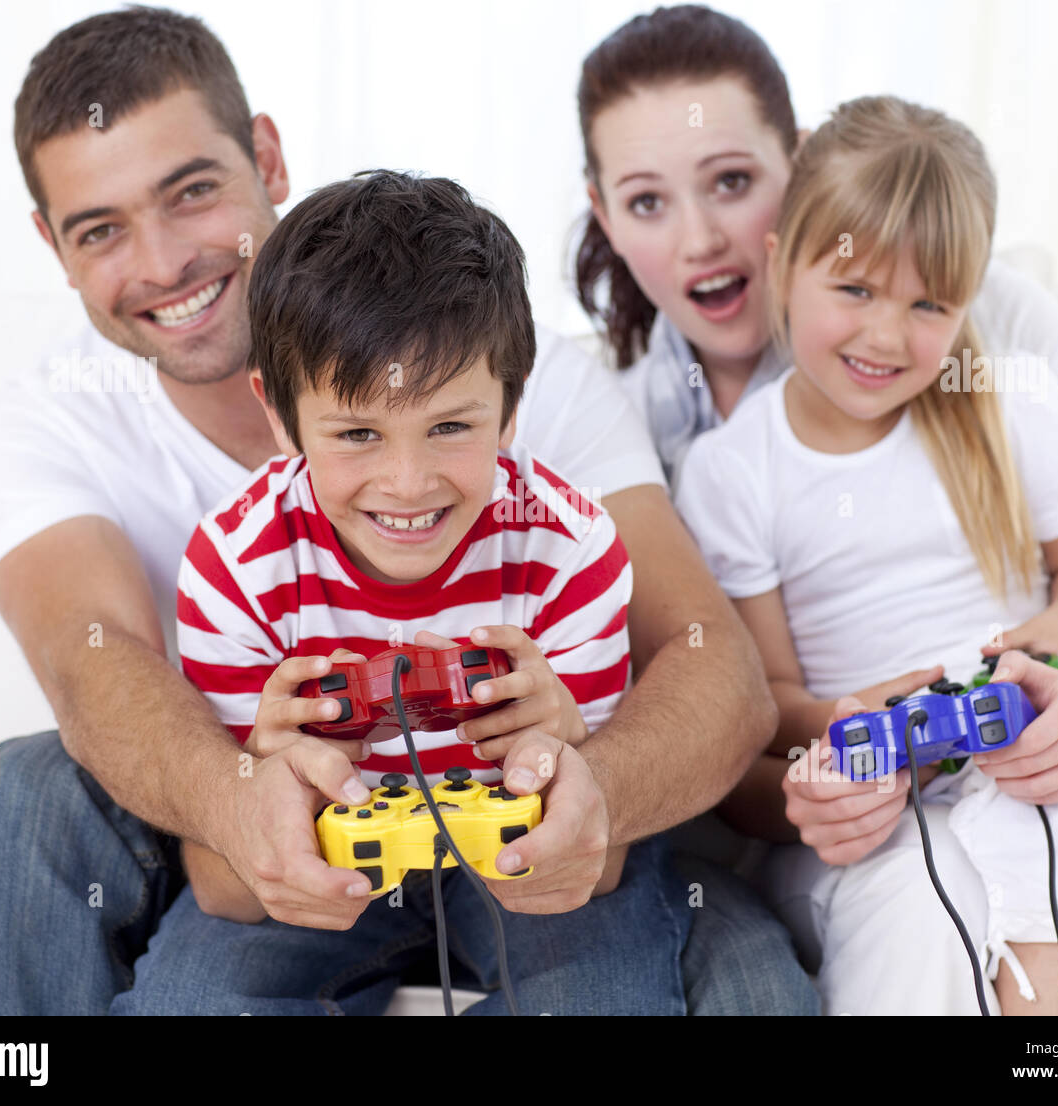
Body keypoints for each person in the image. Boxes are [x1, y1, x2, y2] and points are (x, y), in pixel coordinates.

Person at [0, 6, 815, 1015]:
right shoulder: (66, 433)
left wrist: (591, 786)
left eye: (191, 191)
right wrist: (239, 804)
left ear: (265, 156)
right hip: (242, 801)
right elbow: (96, 674)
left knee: (747, 981)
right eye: (102, 228)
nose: (166, 258)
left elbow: (711, 666)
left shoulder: (515, 386)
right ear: (50, 244)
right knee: (19, 793)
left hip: (522, 833)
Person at [573, 4, 1058, 1013]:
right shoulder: (667, 447)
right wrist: (842, 746)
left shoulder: (986, 361)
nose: (701, 239)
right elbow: (744, 711)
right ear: (601, 212)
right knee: (926, 898)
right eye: (647, 201)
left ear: (797, 170)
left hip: (1029, 746)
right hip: (863, 797)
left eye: (730, 180)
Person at [107, 171, 692, 1014]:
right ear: (279, 415)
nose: (408, 485)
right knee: (189, 1002)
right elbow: (224, 889)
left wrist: (565, 758)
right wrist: (261, 785)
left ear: (513, 402)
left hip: (513, 869)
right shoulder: (237, 565)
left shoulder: (570, 548)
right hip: (334, 865)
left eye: (451, 426)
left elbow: (593, 869)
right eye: (356, 434)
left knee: (604, 999)